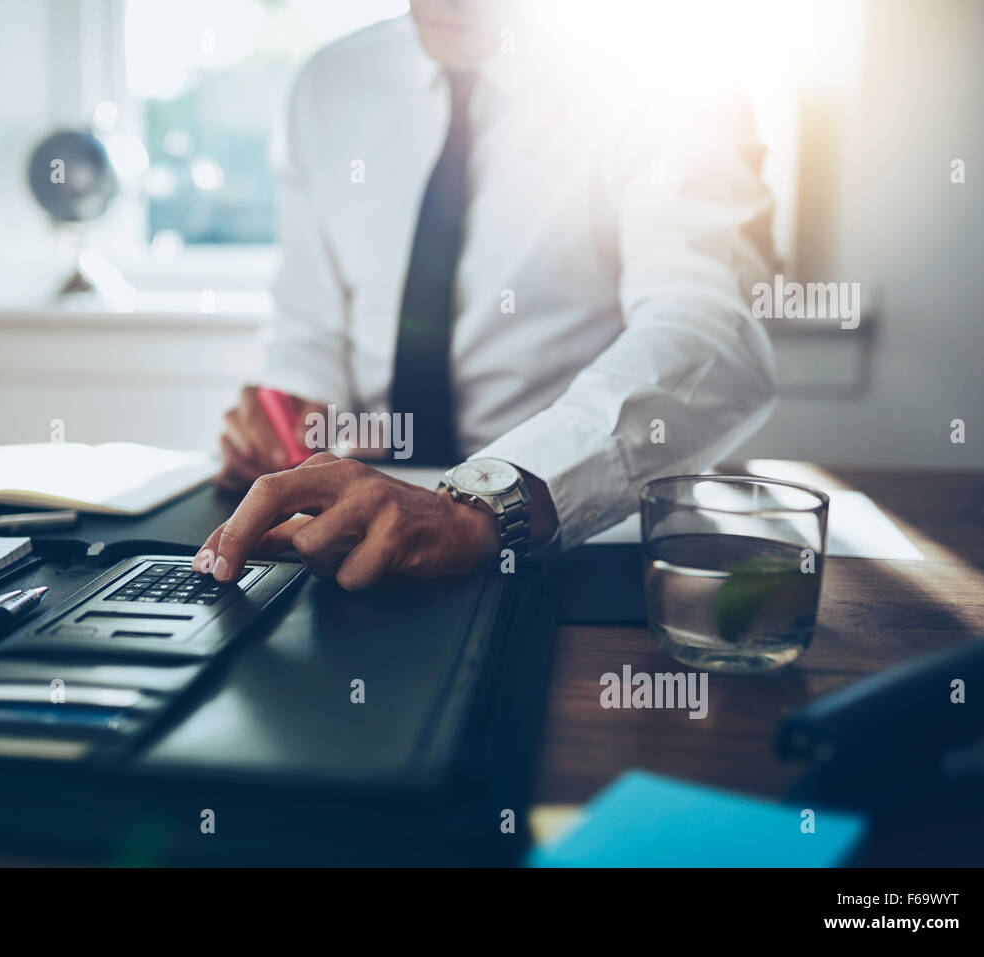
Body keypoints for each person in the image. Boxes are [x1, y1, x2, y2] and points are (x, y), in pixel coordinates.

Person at [197, 0, 777, 590]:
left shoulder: (672, 78)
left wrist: (480, 505)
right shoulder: (328, 84)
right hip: (358, 532)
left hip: (576, 535)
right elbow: (310, 324)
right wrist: (291, 411)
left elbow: (710, 330)